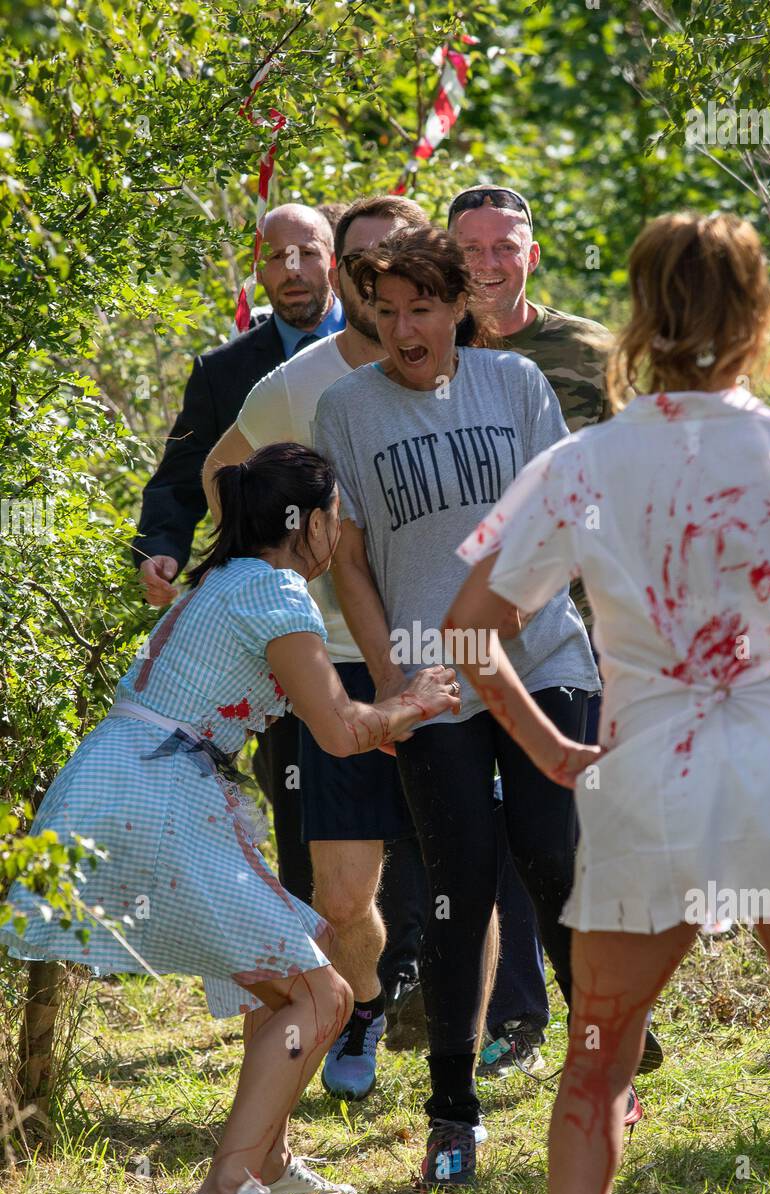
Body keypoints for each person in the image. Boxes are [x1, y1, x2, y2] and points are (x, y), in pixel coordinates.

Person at [445, 210, 770, 1194]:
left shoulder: (583, 463)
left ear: (641, 316)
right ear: (760, 317)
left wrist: (550, 747)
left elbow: (467, 631)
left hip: (648, 774)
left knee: (597, 1053)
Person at [2, 443, 459, 1194]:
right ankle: (228, 1187)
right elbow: (341, 729)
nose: (340, 530)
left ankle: (268, 1163)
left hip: (130, 780)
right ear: (308, 523)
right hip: (156, 792)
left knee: (297, 964)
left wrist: (372, 721)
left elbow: (317, 712)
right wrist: (412, 703)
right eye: (336, 516)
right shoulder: (277, 591)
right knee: (323, 995)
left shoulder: (228, 581)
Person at [316, 223, 600, 1184]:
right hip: (431, 683)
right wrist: (393, 680)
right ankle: (452, 1114)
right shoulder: (345, 409)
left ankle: (601, 1058)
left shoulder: (514, 385)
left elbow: (563, 519)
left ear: (458, 308)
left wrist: (506, 626)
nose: (405, 329)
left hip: (544, 657)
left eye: (423, 308)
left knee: (551, 857)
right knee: (458, 885)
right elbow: (351, 558)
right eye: (386, 311)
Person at [201, 195, 434, 1098]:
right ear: (344, 273)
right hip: (339, 659)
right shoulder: (299, 384)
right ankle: (366, 1005)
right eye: (364, 266)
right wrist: (276, 577)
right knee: (341, 896)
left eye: (399, 262)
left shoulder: (471, 371)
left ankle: (467, 1058)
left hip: (454, 652)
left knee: (469, 868)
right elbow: (223, 471)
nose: (381, 281)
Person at [448, 183, 617, 1078]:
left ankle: (604, 1003)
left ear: (532, 256)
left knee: (562, 827)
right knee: (495, 827)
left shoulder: (589, 352)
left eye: (503, 247)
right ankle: (517, 1018)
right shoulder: (426, 346)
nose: (486, 265)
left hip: (576, 632)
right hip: (459, 624)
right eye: (468, 248)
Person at [133, 202, 344, 902]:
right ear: (258, 268)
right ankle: (307, 946)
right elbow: (178, 481)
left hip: (382, 609)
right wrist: (162, 550)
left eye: (307, 252)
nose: (293, 268)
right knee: (295, 794)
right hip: (272, 622)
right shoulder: (225, 371)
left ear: (334, 259)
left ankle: (401, 959)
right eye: (276, 256)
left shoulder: (383, 345)